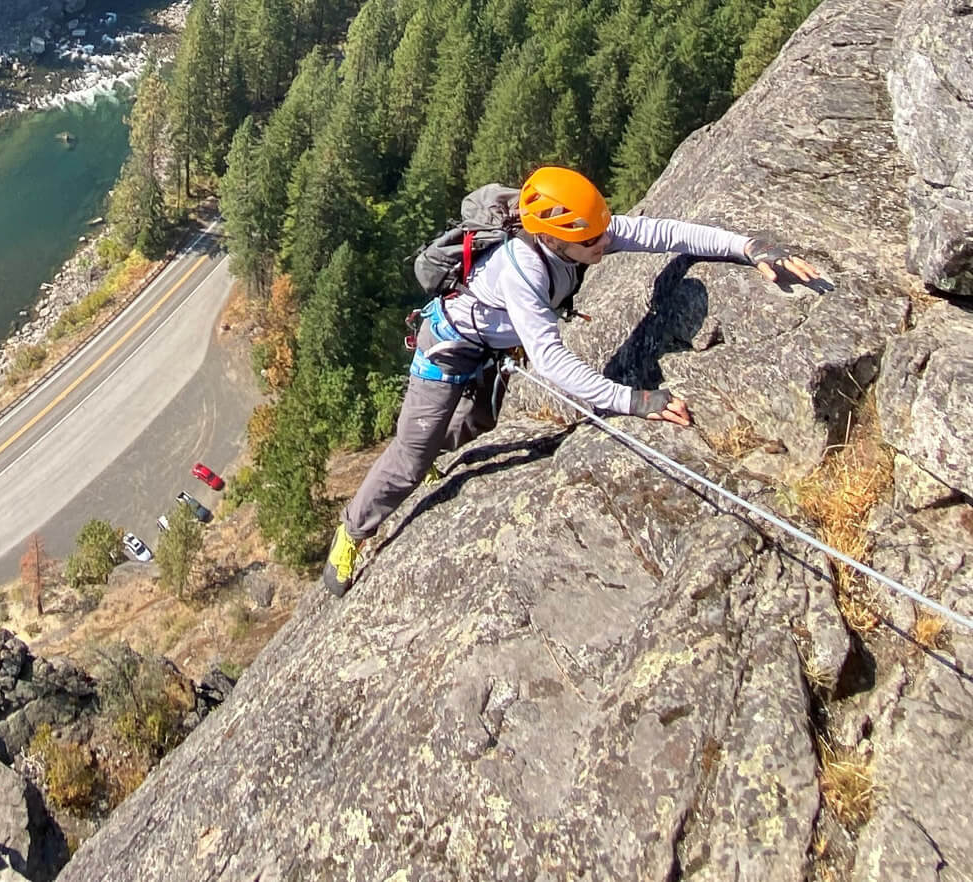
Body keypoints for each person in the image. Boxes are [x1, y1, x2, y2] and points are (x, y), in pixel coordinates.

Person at [322, 165, 821, 597]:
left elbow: (668, 235)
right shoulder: (523, 269)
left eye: (602, 233)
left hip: (492, 346)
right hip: (447, 347)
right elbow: (553, 362)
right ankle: (352, 530)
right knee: (409, 461)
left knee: (482, 420)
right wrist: (634, 401)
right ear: (555, 239)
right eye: (592, 241)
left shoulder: (580, 232)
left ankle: (434, 449)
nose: (605, 242)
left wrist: (748, 246)